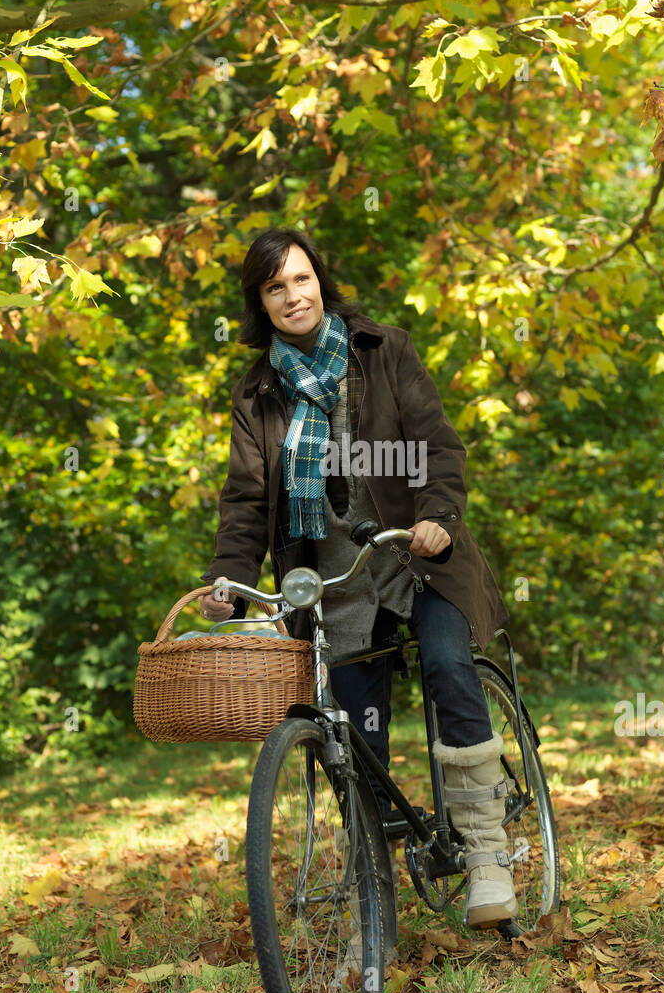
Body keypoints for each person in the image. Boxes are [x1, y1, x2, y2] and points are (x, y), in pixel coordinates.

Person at [199, 227, 516, 930]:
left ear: (321, 281)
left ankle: (490, 855)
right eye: (275, 286)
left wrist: (437, 514)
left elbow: (436, 445)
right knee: (354, 739)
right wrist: (228, 578)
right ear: (261, 302)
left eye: (301, 279)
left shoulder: (383, 351)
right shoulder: (258, 394)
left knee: (446, 667)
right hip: (334, 585)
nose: (292, 296)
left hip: (414, 557)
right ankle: (374, 898)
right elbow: (247, 501)